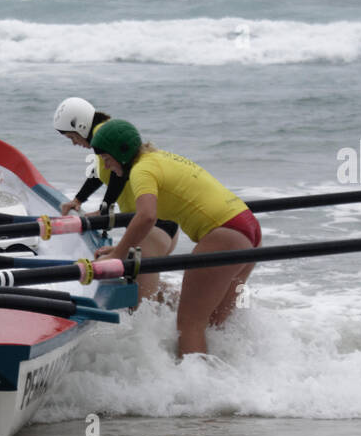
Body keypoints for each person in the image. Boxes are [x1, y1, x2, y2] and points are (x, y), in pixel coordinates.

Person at [88, 118, 262, 356]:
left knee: (189, 326)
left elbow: (147, 216)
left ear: (122, 153)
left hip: (227, 236)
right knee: (213, 325)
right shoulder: (159, 157)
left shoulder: (141, 170)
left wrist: (118, 254)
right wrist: (120, 247)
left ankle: (194, 391)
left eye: (107, 159)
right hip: (249, 228)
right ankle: (225, 380)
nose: (106, 167)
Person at [52, 97, 177, 302]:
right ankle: (201, 315)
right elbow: (100, 173)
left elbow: (119, 175)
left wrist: (104, 209)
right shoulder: (106, 135)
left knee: (141, 307)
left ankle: (198, 322)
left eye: (72, 137)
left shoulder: (104, 136)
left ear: (81, 126)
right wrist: (78, 200)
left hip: (152, 230)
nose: (74, 143)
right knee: (152, 295)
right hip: (161, 227)